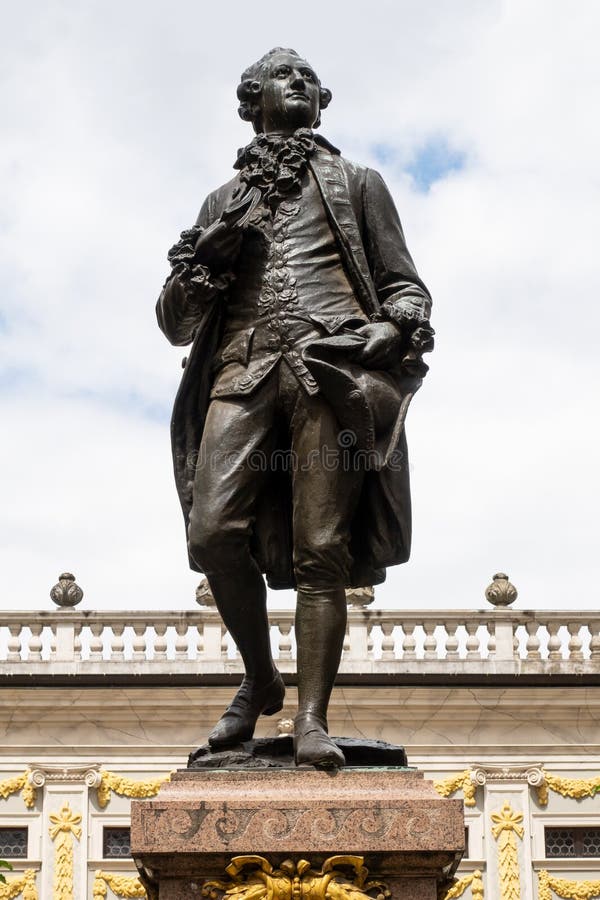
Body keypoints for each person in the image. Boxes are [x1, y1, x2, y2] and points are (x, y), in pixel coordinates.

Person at [157, 48, 434, 767]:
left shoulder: (357, 183)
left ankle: (311, 718)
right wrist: (206, 264)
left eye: (310, 78)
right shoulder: (221, 203)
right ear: (252, 99)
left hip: (329, 370)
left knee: (322, 550)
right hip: (241, 373)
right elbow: (175, 324)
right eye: (287, 76)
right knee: (213, 530)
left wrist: (390, 326)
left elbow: (405, 286)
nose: (301, 86)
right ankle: (261, 675)